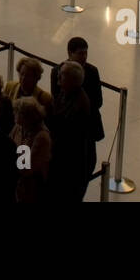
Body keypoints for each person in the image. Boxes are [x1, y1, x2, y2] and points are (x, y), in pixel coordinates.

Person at [47, 61, 95, 202]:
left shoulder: (78, 103)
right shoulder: (66, 94)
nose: (58, 81)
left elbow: (63, 130)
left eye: (61, 77)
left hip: (69, 165)